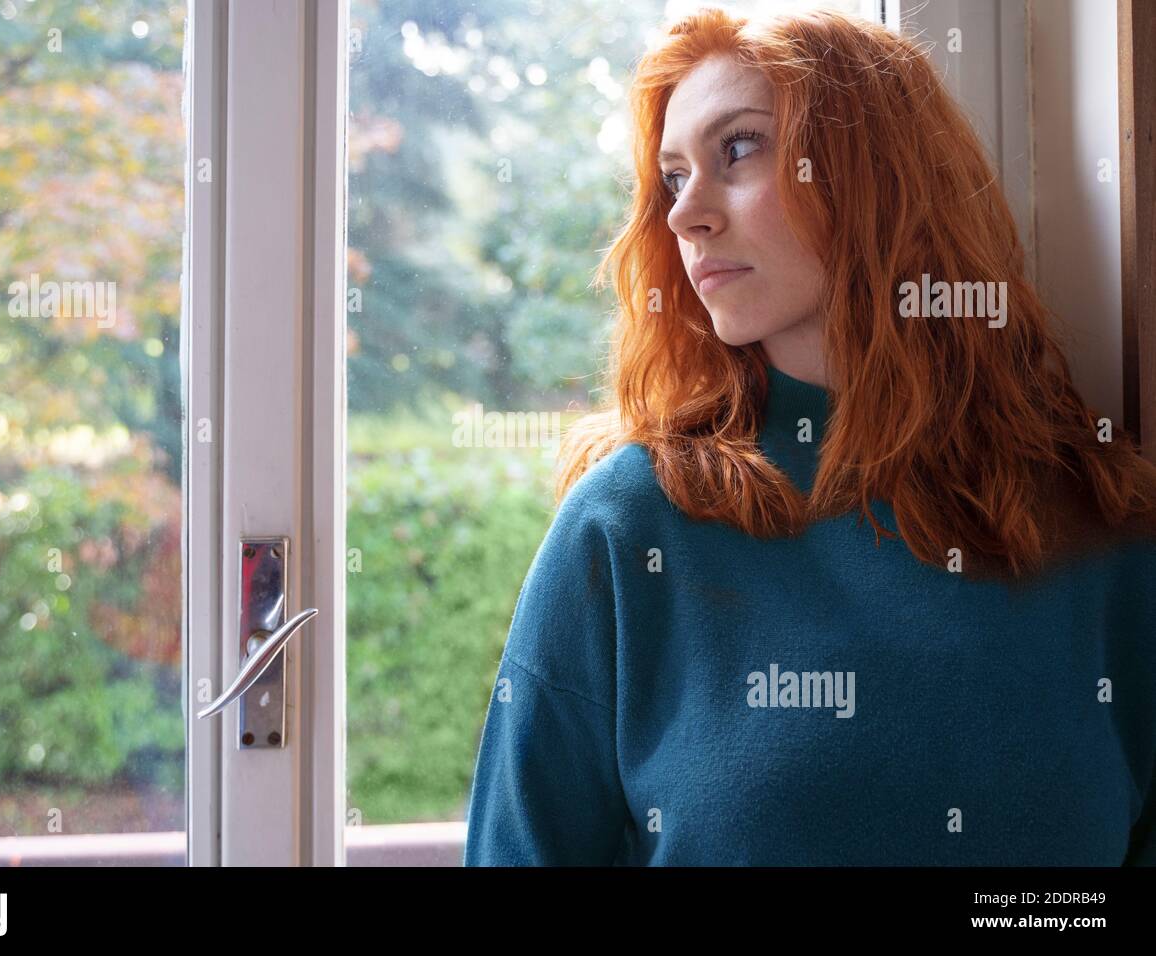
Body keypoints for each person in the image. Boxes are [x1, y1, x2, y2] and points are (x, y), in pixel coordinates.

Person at [462, 5, 1156, 866]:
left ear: (878, 173)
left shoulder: (1105, 522)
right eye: (673, 177)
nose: (685, 216)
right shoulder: (628, 528)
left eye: (739, 149)